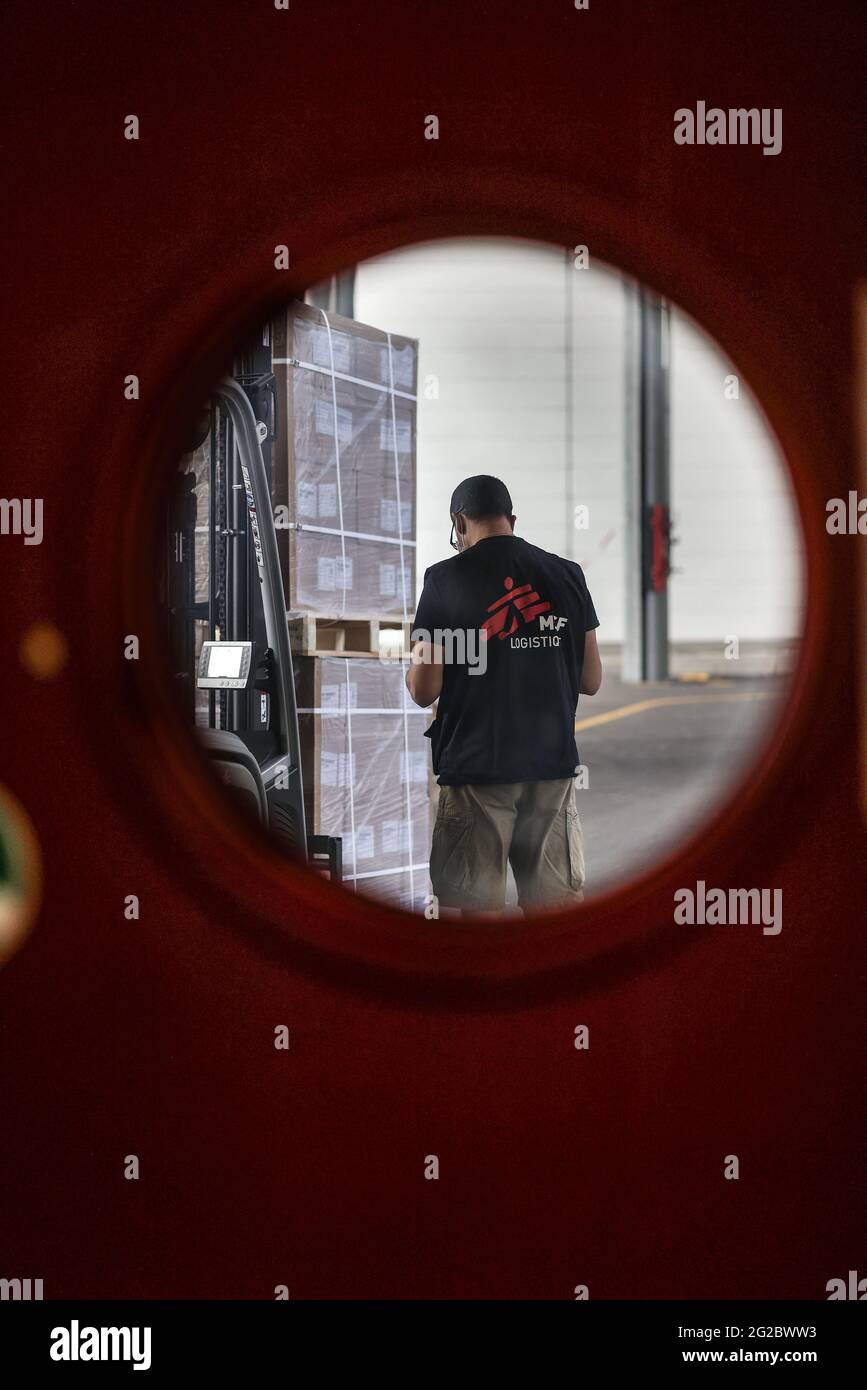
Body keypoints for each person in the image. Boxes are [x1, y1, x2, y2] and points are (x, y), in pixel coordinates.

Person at [406, 475, 602, 916]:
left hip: (477, 770)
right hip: (550, 769)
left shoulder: (443, 579)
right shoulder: (567, 575)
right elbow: (590, 679)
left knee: (480, 913)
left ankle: (488, 986)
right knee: (554, 913)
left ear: (459, 523)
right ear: (512, 520)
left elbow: (424, 689)